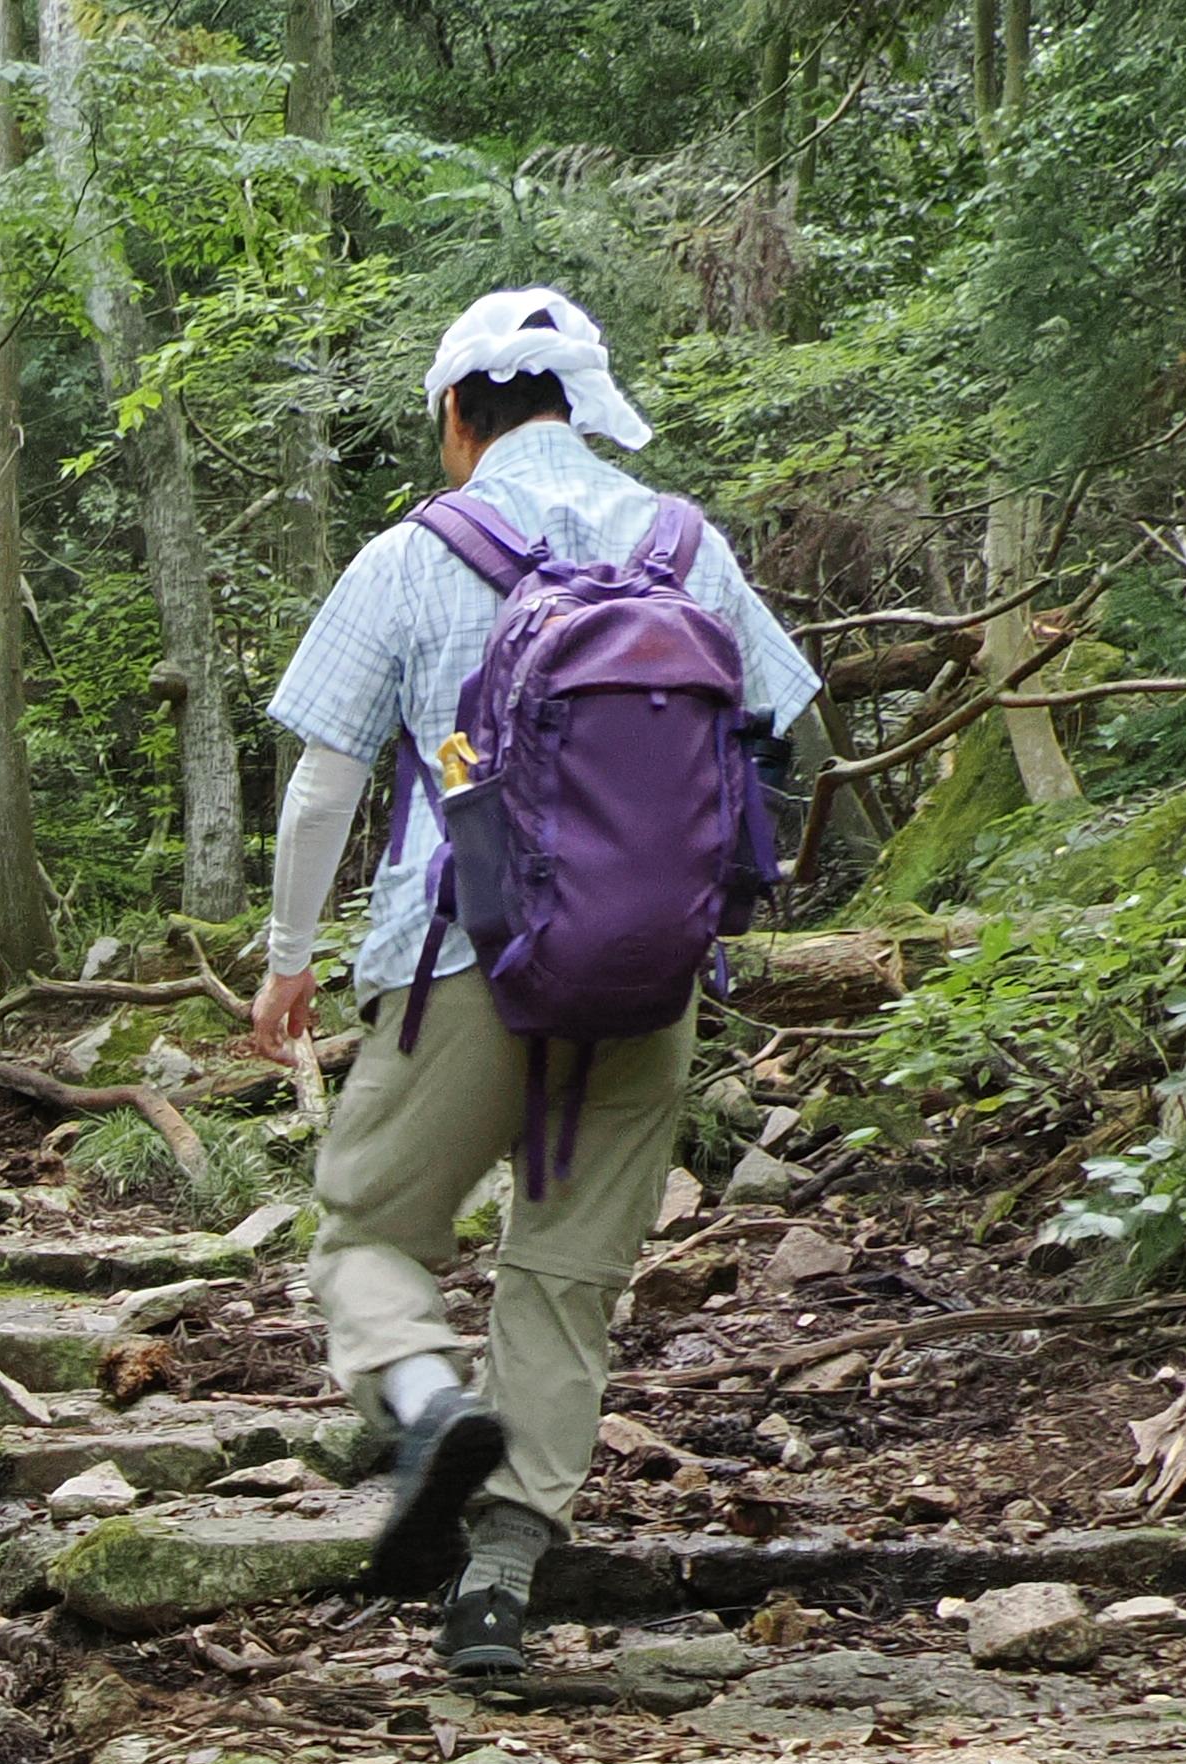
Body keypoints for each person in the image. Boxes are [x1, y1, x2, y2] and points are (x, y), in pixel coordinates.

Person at [248, 288, 825, 1679]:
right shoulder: (689, 543)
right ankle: (498, 1586)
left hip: (458, 956)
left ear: (458, 418)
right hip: (648, 975)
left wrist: (286, 960)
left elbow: (326, 777)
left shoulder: (412, 552)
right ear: (585, 408)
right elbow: (782, 725)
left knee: (365, 1234)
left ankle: (433, 1403)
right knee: (565, 1279)